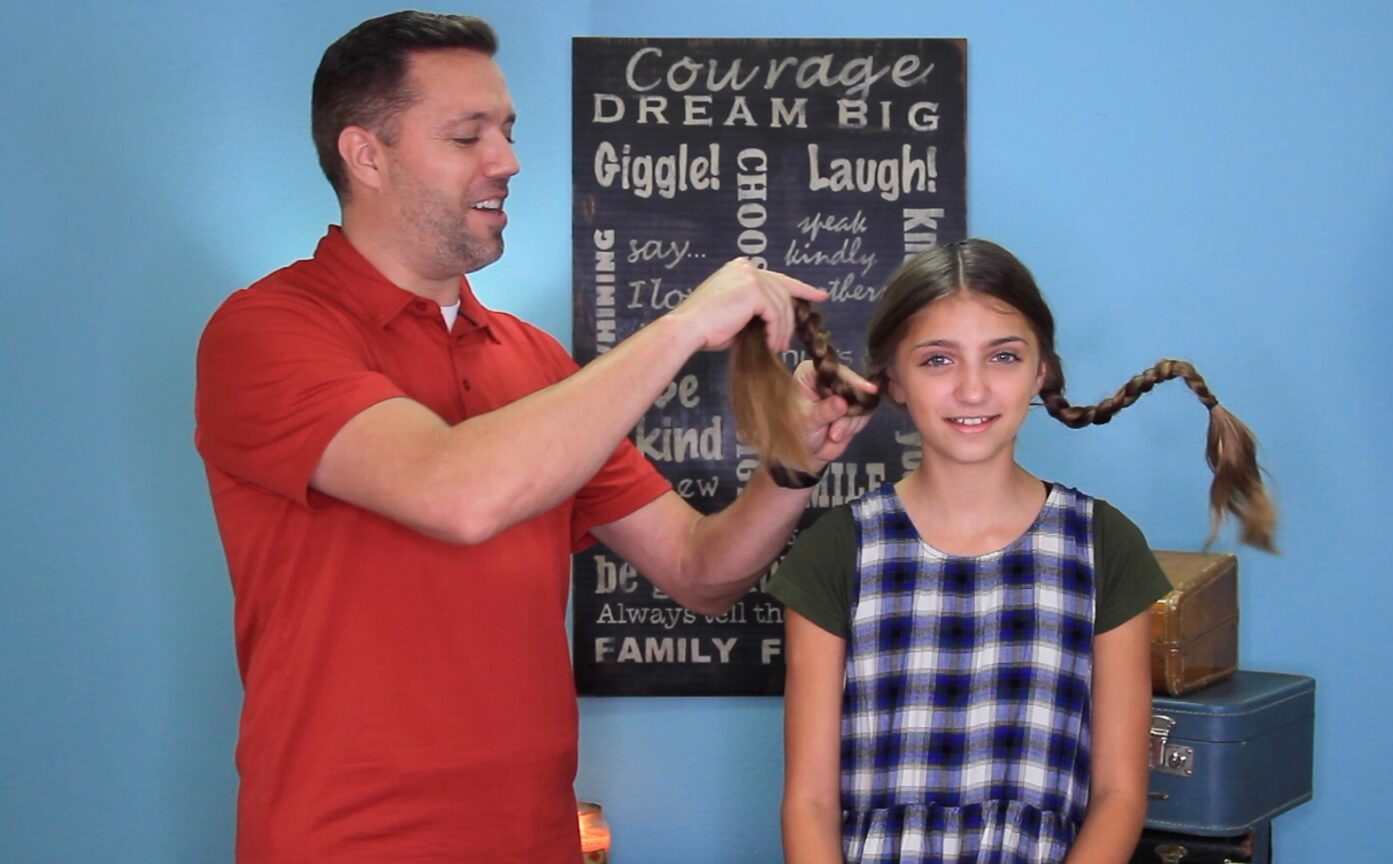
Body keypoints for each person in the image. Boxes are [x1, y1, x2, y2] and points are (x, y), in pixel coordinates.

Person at [193, 11, 872, 863]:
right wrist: (682, 326)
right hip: (341, 842)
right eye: (467, 135)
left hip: (535, 840)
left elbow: (701, 573)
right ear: (366, 155)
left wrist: (794, 464)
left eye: (507, 132)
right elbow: (456, 493)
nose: (506, 161)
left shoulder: (535, 362)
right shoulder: (267, 331)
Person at [763, 239, 1276, 863]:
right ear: (892, 379)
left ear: (1042, 372)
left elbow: (1119, 793)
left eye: (1002, 356)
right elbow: (809, 804)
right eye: (938, 361)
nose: (973, 389)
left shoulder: (1102, 545)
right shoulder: (836, 552)